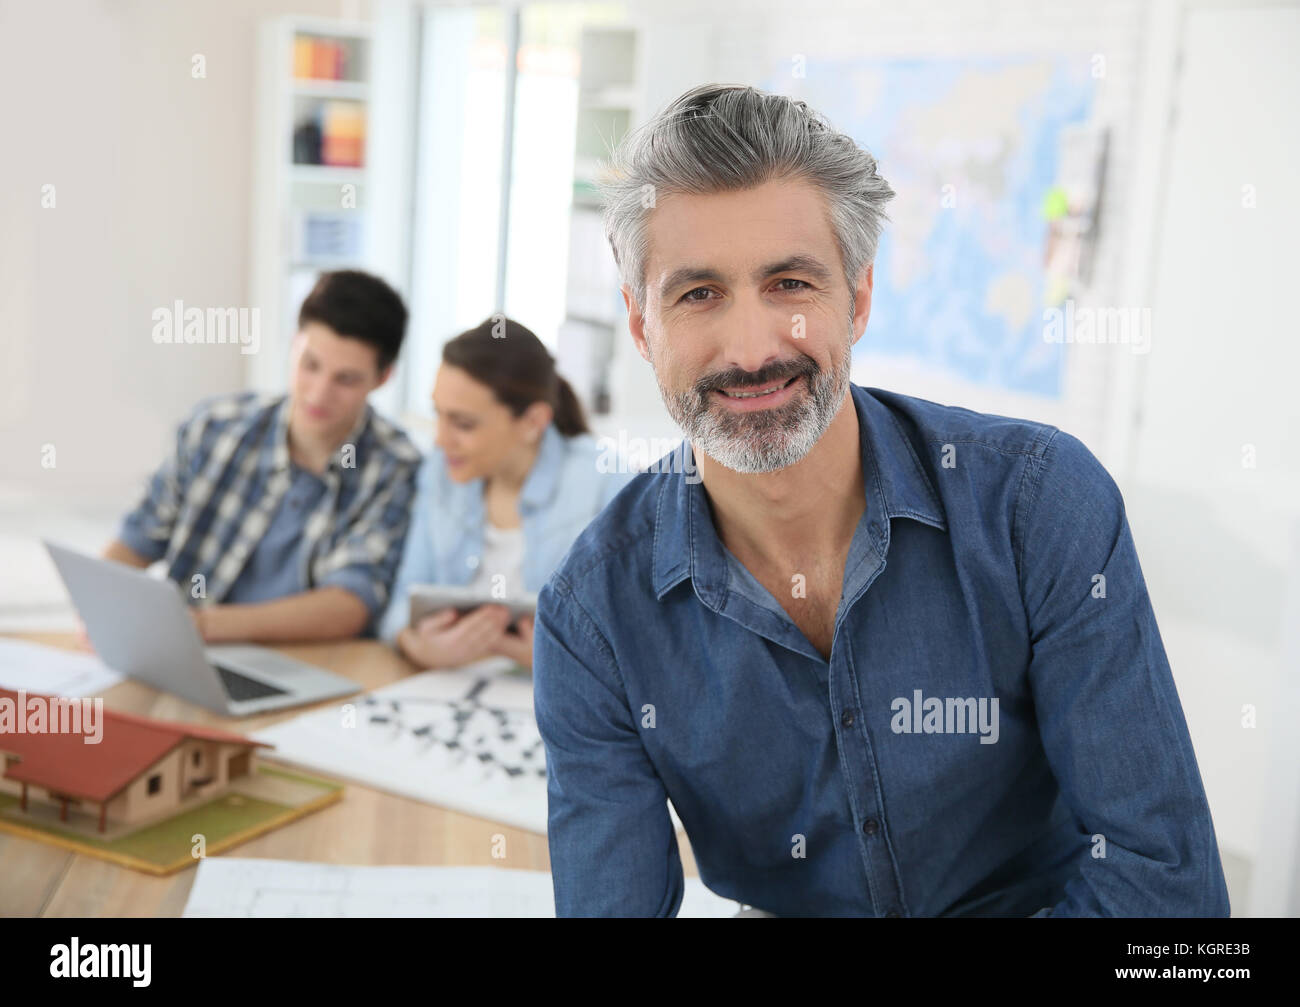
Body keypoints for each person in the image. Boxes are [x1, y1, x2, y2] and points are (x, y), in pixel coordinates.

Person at [532, 84, 1231, 917]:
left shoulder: (1038, 505)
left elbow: (1168, 894)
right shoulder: (593, 616)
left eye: (790, 283)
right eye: (698, 294)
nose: (753, 349)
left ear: (857, 298)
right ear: (642, 327)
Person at [104, 269, 421, 644]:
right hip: (191, 653)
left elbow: (349, 604)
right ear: (293, 345)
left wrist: (202, 626)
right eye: (310, 365)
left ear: (383, 378)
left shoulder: (395, 467)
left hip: (316, 663)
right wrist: (102, 606)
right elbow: (138, 537)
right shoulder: (215, 427)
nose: (318, 394)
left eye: (346, 379)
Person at [379, 316, 634, 672]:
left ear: (533, 422)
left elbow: (639, 642)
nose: (440, 439)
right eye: (438, 415)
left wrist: (559, 660)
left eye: (463, 424)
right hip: (444, 690)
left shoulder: (609, 486)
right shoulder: (440, 472)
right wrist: (415, 645)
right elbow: (397, 611)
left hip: (555, 708)